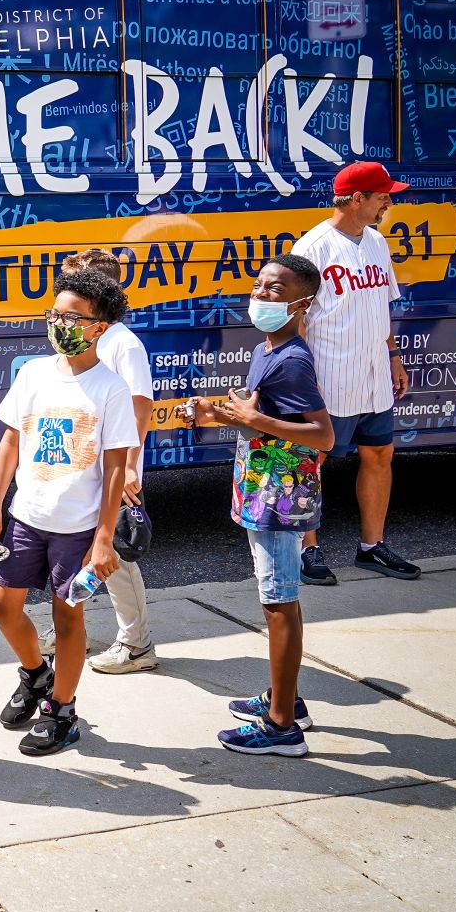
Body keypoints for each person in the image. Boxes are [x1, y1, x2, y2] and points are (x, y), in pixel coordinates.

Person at [0, 268, 137, 757]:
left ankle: (62, 712)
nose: (58, 324)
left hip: (77, 530)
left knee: (67, 620)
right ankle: (36, 675)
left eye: (71, 317)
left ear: (98, 328)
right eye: (54, 314)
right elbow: (11, 440)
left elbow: (115, 468)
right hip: (26, 518)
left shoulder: (110, 388)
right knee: (2, 607)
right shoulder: (34, 373)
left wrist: (103, 538)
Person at [190, 254, 333, 756]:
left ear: (302, 303)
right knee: (277, 599)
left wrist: (255, 420)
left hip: (280, 498)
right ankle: (286, 701)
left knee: (278, 603)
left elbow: (323, 435)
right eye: (259, 285)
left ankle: (281, 728)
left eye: (275, 289)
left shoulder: (292, 359)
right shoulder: (266, 348)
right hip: (263, 490)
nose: (261, 294)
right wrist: (218, 413)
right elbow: (261, 418)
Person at [291, 161, 418, 584]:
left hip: (373, 371)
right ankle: (306, 549)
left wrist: (394, 355)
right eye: (382, 196)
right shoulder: (313, 247)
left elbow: (380, 305)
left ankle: (371, 546)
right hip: (330, 372)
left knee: (379, 453)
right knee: (313, 461)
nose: (388, 203)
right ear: (357, 198)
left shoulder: (377, 241)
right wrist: (302, 376)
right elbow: (296, 317)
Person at [41, 249, 158, 674]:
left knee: (116, 557)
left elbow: (140, 405)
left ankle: (137, 643)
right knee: (78, 552)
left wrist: (129, 468)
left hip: (114, 469)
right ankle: (70, 626)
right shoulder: (83, 338)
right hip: (83, 468)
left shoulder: (122, 342)